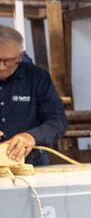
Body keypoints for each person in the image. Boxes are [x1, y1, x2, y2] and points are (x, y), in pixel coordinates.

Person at [0, 25, 67, 169]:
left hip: (30, 164)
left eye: (8, 61)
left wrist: (31, 137)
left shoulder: (37, 78)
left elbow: (57, 120)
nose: (1, 67)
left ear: (20, 56)